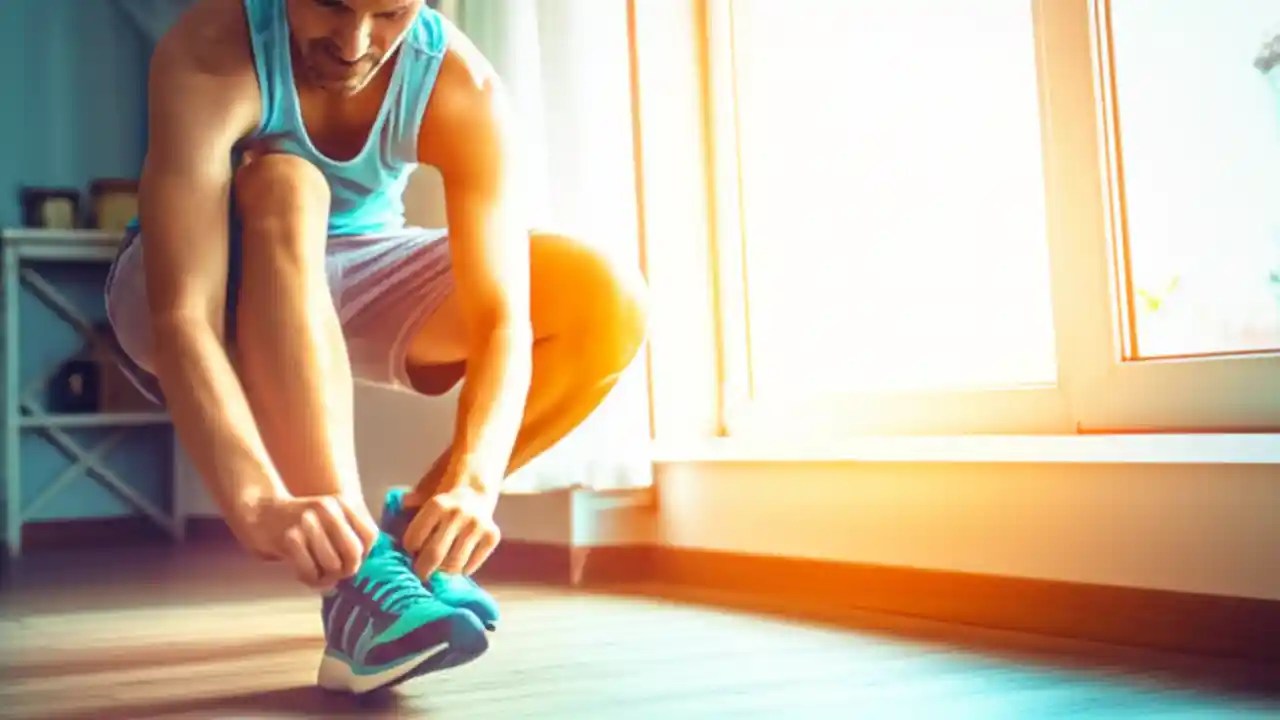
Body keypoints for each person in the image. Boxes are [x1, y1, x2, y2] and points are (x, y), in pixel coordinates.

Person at [103, 0, 648, 694]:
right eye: (330, 4)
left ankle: (415, 545)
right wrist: (256, 502)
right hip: (174, 287)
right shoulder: (212, 46)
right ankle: (356, 580)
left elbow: (500, 319)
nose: (356, 44)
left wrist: (472, 487)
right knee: (289, 181)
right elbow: (184, 315)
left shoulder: (458, 82)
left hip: (353, 266)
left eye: (387, 12)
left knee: (605, 297)